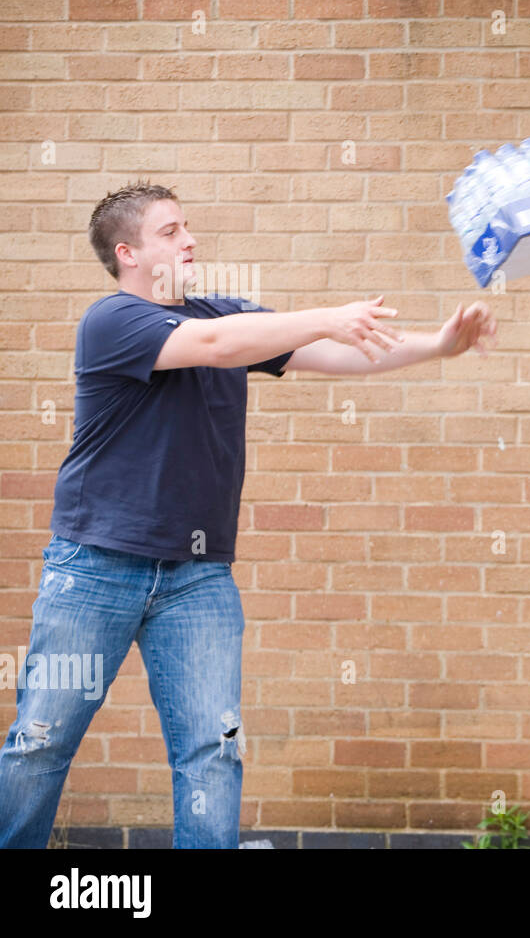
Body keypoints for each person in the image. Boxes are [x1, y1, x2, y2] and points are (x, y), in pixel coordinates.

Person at [0, 181, 496, 848]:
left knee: (214, 749)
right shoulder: (112, 321)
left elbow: (335, 353)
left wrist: (438, 345)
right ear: (129, 253)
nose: (189, 239)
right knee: (40, 741)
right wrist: (322, 314)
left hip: (197, 579)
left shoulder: (227, 314)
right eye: (171, 231)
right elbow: (211, 345)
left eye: (187, 227)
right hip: (94, 568)